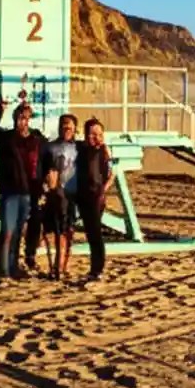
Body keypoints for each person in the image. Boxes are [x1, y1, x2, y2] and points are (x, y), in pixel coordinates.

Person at [0, 94, 44, 281]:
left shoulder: (36, 138)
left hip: (28, 192)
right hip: (10, 191)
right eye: (19, 117)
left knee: (18, 232)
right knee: (7, 232)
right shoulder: (6, 138)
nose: (22, 121)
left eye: (25, 118)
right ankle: (2, 271)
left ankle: (13, 267)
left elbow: (50, 154)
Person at [39, 114, 79, 279]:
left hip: (73, 194)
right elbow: (42, 169)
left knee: (69, 230)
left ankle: (63, 265)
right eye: (63, 125)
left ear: (75, 128)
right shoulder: (50, 147)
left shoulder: (79, 148)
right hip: (55, 194)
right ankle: (56, 265)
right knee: (55, 231)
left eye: (69, 126)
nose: (66, 129)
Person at [75, 118, 113, 282]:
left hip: (95, 196)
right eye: (92, 134)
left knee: (95, 233)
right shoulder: (81, 149)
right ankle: (94, 268)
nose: (96, 137)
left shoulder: (104, 151)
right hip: (82, 194)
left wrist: (102, 191)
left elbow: (111, 174)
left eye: (99, 134)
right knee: (90, 233)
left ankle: (97, 268)